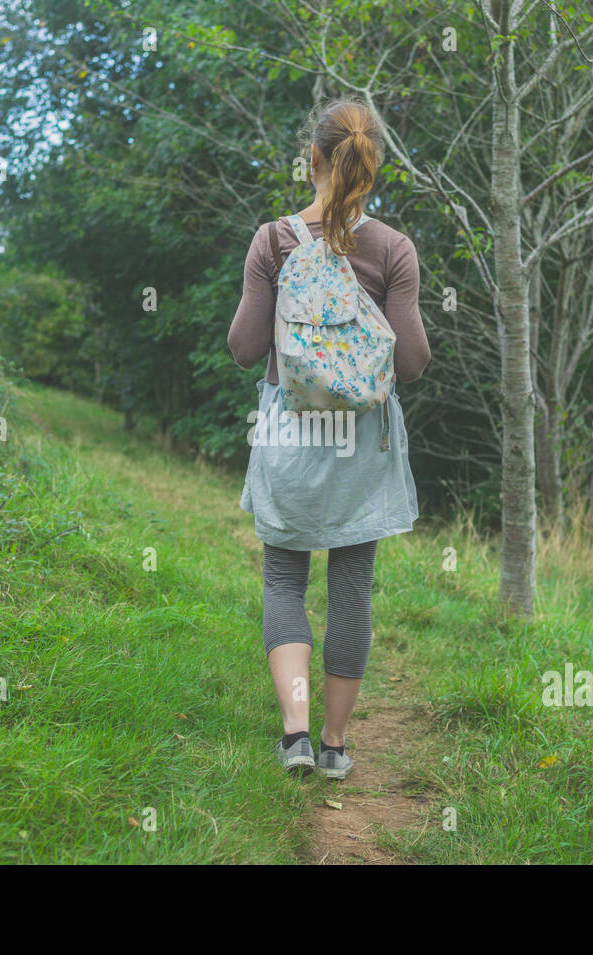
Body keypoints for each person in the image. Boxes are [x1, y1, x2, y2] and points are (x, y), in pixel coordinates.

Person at [226, 98, 431, 779]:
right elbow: (413, 362)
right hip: (359, 450)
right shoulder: (393, 250)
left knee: (284, 578)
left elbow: (244, 347)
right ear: (373, 172)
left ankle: (296, 735)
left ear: (311, 160)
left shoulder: (273, 240)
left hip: (291, 438)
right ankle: (338, 744)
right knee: (352, 587)